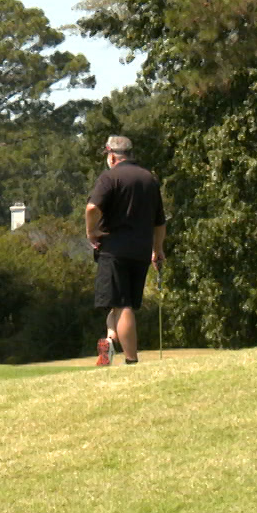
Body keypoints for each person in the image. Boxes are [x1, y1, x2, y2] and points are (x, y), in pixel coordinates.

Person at [84, 135, 166, 365]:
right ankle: (110, 340)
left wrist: (91, 232)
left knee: (122, 304)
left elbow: (92, 208)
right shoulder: (149, 179)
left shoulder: (110, 177)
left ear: (112, 156)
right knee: (118, 303)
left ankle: (131, 360)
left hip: (114, 250)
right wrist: (157, 250)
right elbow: (160, 222)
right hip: (140, 252)